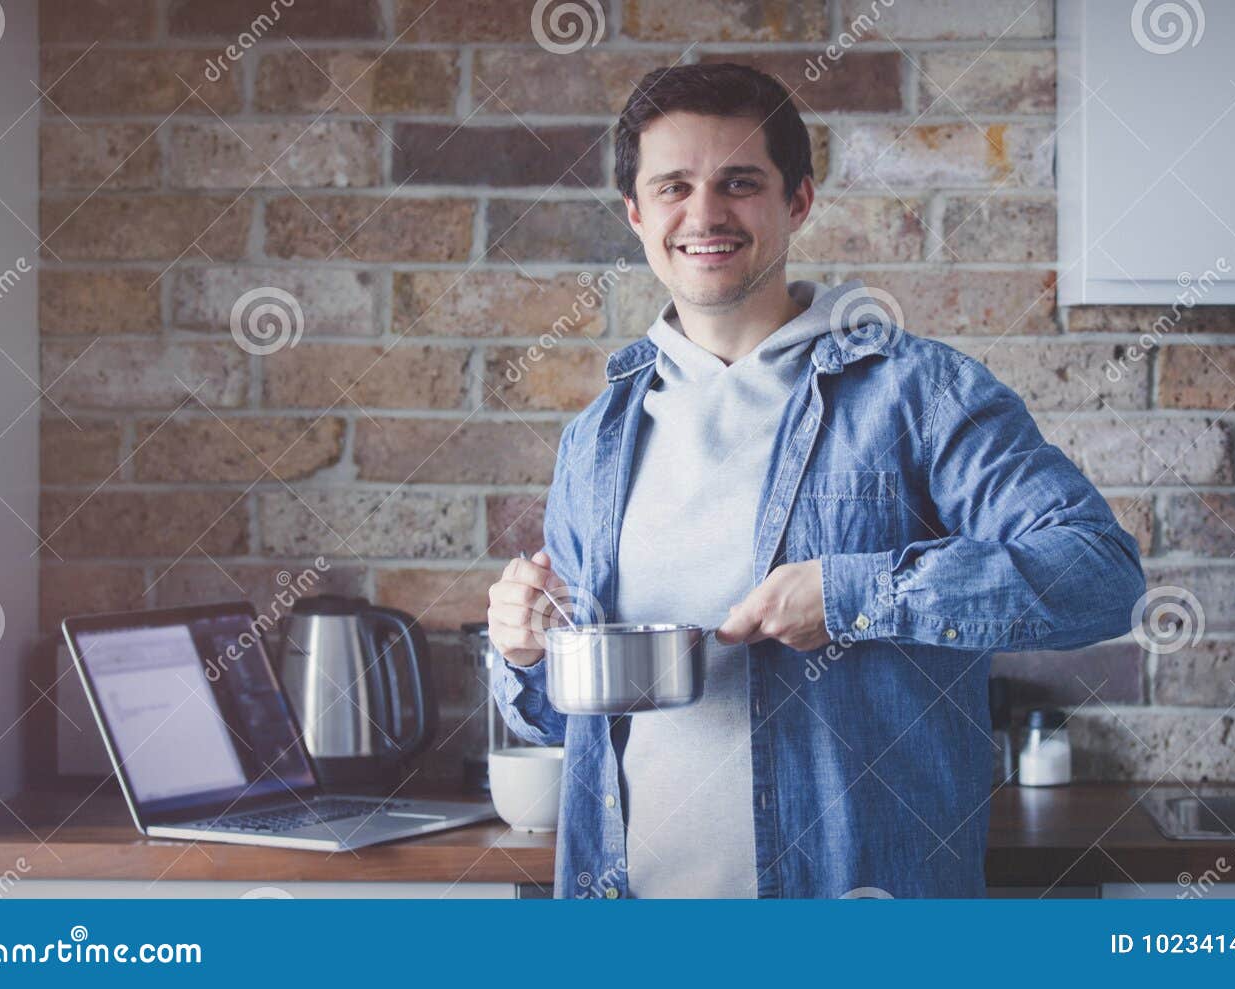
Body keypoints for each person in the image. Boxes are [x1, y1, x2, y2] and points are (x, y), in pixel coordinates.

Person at [484, 62, 1145, 898]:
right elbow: (560, 719)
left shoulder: (919, 394)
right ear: (636, 214)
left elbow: (1099, 574)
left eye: (739, 183)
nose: (705, 214)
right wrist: (527, 649)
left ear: (797, 200)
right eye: (674, 187)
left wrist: (854, 594)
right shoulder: (597, 440)